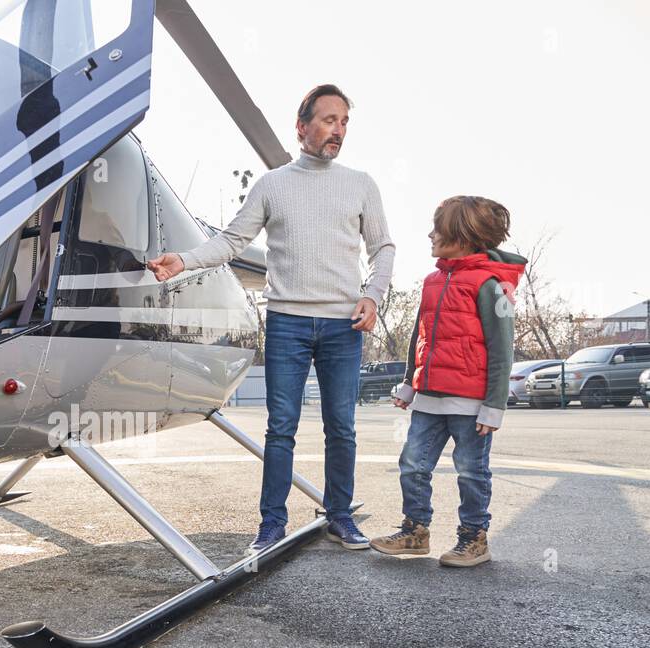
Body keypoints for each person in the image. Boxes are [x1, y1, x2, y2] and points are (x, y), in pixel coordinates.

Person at [146, 84, 395, 553]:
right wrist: (184, 259)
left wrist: (373, 295)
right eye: (328, 120)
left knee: (341, 426)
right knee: (282, 426)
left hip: (344, 326)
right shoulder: (272, 184)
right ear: (301, 127)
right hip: (288, 324)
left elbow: (383, 247)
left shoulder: (361, 184)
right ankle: (271, 524)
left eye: (343, 122)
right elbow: (231, 240)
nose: (337, 130)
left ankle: (340, 515)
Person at [369, 196, 527, 567]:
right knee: (412, 463)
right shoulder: (431, 281)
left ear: (463, 234)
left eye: (438, 228)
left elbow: (502, 348)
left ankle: (474, 538)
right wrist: (410, 383)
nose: (430, 234)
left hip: (472, 404)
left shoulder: (491, 285)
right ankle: (414, 531)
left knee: (471, 471)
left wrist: (495, 404)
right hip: (428, 400)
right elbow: (419, 336)